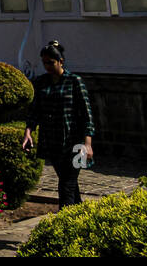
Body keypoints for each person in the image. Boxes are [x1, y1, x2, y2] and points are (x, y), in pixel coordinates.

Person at [22, 40, 95, 208]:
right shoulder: (41, 83)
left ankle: (64, 221)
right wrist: (28, 132)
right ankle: (80, 216)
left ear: (61, 61)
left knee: (66, 185)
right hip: (53, 141)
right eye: (44, 63)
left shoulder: (74, 81)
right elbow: (34, 111)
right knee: (68, 182)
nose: (47, 66)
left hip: (74, 142)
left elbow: (86, 114)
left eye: (51, 62)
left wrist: (88, 143)